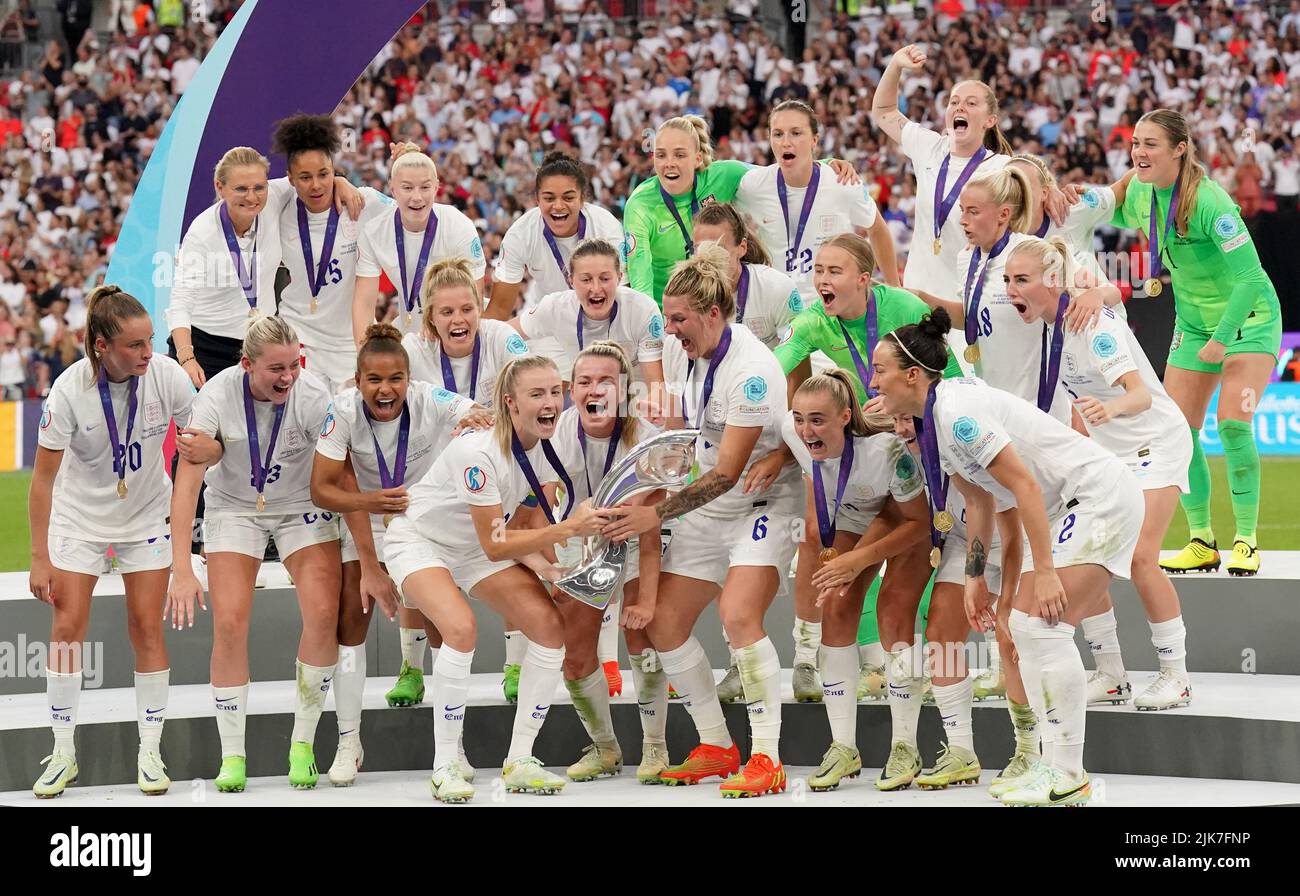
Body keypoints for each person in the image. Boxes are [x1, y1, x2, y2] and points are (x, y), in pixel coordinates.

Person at [872, 308, 1145, 807]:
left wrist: (1043, 572)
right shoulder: (935, 420)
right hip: (1080, 502)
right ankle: (1050, 763)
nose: (873, 383)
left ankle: (1068, 772)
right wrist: (975, 577)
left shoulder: (956, 413)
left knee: (1040, 626)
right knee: (1025, 627)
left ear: (913, 375)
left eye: (879, 371)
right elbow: (981, 501)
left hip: (1099, 496)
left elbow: (1022, 488)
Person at [602, 244, 800, 798]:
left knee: (738, 615)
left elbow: (729, 473)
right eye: (667, 317)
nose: (670, 328)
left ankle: (767, 757)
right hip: (705, 500)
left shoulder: (753, 371)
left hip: (762, 500)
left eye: (680, 318)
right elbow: (692, 443)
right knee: (661, 622)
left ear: (713, 313)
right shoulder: (682, 350)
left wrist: (652, 514)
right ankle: (716, 745)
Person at [382, 354, 611, 800]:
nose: (551, 402)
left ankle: (519, 760)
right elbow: (496, 545)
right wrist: (570, 529)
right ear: (510, 403)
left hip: (479, 547)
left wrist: (547, 566)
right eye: (536, 394)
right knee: (461, 630)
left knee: (548, 629)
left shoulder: (549, 448)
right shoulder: (477, 452)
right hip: (420, 541)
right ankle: (446, 762)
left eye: (554, 392)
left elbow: (519, 527)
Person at [27, 286, 206, 798]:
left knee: (146, 626)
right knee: (66, 628)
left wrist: (210, 444)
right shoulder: (67, 391)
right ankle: (63, 751)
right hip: (79, 520)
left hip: (147, 514)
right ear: (102, 345)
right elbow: (42, 482)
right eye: (136, 345)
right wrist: (39, 557)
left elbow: (201, 440)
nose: (150, 353)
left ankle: (149, 750)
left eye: (151, 341)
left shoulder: (166, 375)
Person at [768, 233, 960, 710]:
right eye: (817, 270)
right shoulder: (813, 320)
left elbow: (951, 379)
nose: (822, 280)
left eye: (833, 271)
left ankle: (940, 670)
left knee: (933, 545)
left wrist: (906, 411)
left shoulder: (901, 305)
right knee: (822, 536)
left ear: (863, 279)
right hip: (870, 451)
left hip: (924, 440)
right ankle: (821, 654)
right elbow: (775, 371)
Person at [1006, 236, 1194, 711]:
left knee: (1140, 559)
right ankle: (1111, 674)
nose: (1012, 289)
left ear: (1052, 281)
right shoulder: (1051, 329)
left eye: (1021, 280)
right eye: (1008, 280)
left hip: (1154, 444)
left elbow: (1139, 395)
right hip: (1106, 456)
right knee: (1082, 558)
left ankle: (1176, 675)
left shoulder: (1094, 324)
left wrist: (1107, 413)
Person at [166, 316, 340, 794]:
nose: (287, 377)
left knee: (324, 613)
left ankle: (302, 743)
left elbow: (340, 470)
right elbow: (186, 489)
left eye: (294, 365)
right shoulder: (217, 396)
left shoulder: (315, 393)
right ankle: (233, 754)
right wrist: (183, 567)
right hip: (234, 509)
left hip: (302, 505)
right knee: (228, 622)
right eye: (275, 369)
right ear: (246, 365)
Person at [310, 322, 488, 785]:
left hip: (421, 522)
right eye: (374, 380)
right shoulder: (342, 411)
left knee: (441, 621)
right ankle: (349, 740)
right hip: (363, 517)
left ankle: (454, 748)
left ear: (410, 379)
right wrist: (370, 551)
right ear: (357, 379)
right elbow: (322, 489)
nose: (385, 389)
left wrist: (475, 421)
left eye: (395, 379)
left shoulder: (430, 399)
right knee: (352, 620)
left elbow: (480, 414)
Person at [1115, 110, 1283, 577]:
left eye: (1150, 144)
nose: (1139, 153)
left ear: (1179, 149)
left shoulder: (1212, 202)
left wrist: (1222, 339)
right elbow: (1102, 207)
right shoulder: (1143, 195)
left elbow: (1251, 278)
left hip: (1249, 321)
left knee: (1232, 424)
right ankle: (1201, 541)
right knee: (1177, 434)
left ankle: (1246, 540)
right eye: (1135, 143)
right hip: (1192, 324)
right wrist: (1068, 198)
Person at [775, 370, 931, 791]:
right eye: (799, 419)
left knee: (893, 613)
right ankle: (844, 746)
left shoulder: (887, 451)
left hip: (909, 518)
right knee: (837, 611)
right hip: (858, 512)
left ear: (845, 416)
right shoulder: (799, 437)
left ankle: (905, 746)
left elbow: (918, 522)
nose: (806, 430)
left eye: (818, 420)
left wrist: (859, 559)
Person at [399, 257, 532, 703]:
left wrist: (487, 421)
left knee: (511, 555)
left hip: (495, 470)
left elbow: (530, 395)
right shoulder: (411, 349)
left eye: (467, 309)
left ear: (481, 307)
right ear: (430, 320)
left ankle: (515, 665)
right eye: (446, 312)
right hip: (431, 473)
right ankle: (412, 667)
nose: (459, 320)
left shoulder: (504, 339)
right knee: (426, 570)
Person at [544, 342, 672, 784]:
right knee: (575, 653)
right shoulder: (557, 430)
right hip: (582, 542)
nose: (593, 389)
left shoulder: (648, 434)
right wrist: (549, 563)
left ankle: (656, 747)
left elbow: (651, 531)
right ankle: (606, 749)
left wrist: (649, 599)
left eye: (605, 381)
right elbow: (538, 503)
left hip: (637, 541)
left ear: (624, 390)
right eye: (583, 382)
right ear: (571, 389)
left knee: (640, 633)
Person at [621, 115, 858, 305]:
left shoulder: (723, 175)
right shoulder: (640, 205)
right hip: (667, 309)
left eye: (679, 155)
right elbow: (642, 283)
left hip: (719, 302)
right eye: (661, 155)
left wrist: (824, 166)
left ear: (697, 158)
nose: (669, 163)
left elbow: (776, 175)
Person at [735, 99, 899, 305]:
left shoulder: (842, 182)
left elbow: (877, 229)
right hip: (776, 310)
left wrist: (895, 290)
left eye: (796, 133)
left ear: (815, 140)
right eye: (778, 134)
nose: (786, 142)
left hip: (830, 311)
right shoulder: (753, 186)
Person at [273, 114, 393, 393]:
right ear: (290, 178)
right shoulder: (278, 205)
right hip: (298, 336)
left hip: (350, 341)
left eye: (324, 174)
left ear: (334, 170)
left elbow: (413, 212)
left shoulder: (363, 202)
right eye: (305, 177)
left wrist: (404, 163)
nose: (316, 185)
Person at [352, 146, 485, 342]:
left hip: (458, 327)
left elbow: (475, 295)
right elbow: (364, 303)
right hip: (409, 330)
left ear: (436, 187)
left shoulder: (458, 225)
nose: (417, 197)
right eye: (407, 187)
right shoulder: (374, 232)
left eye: (424, 187)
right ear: (392, 187)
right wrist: (364, 355)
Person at [483, 151, 623, 329]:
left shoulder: (606, 227)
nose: (558, 206)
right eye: (549, 198)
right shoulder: (520, 234)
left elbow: (622, 291)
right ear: (537, 200)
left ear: (582, 199)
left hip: (605, 319)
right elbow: (500, 309)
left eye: (568, 197)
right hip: (548, 322)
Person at [691, 202, 804, 352]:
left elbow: (798, 356)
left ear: (742, 248)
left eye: (718, 249)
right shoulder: (686, 296)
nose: (708, 259)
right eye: (700, 249)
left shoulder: (776, 288)